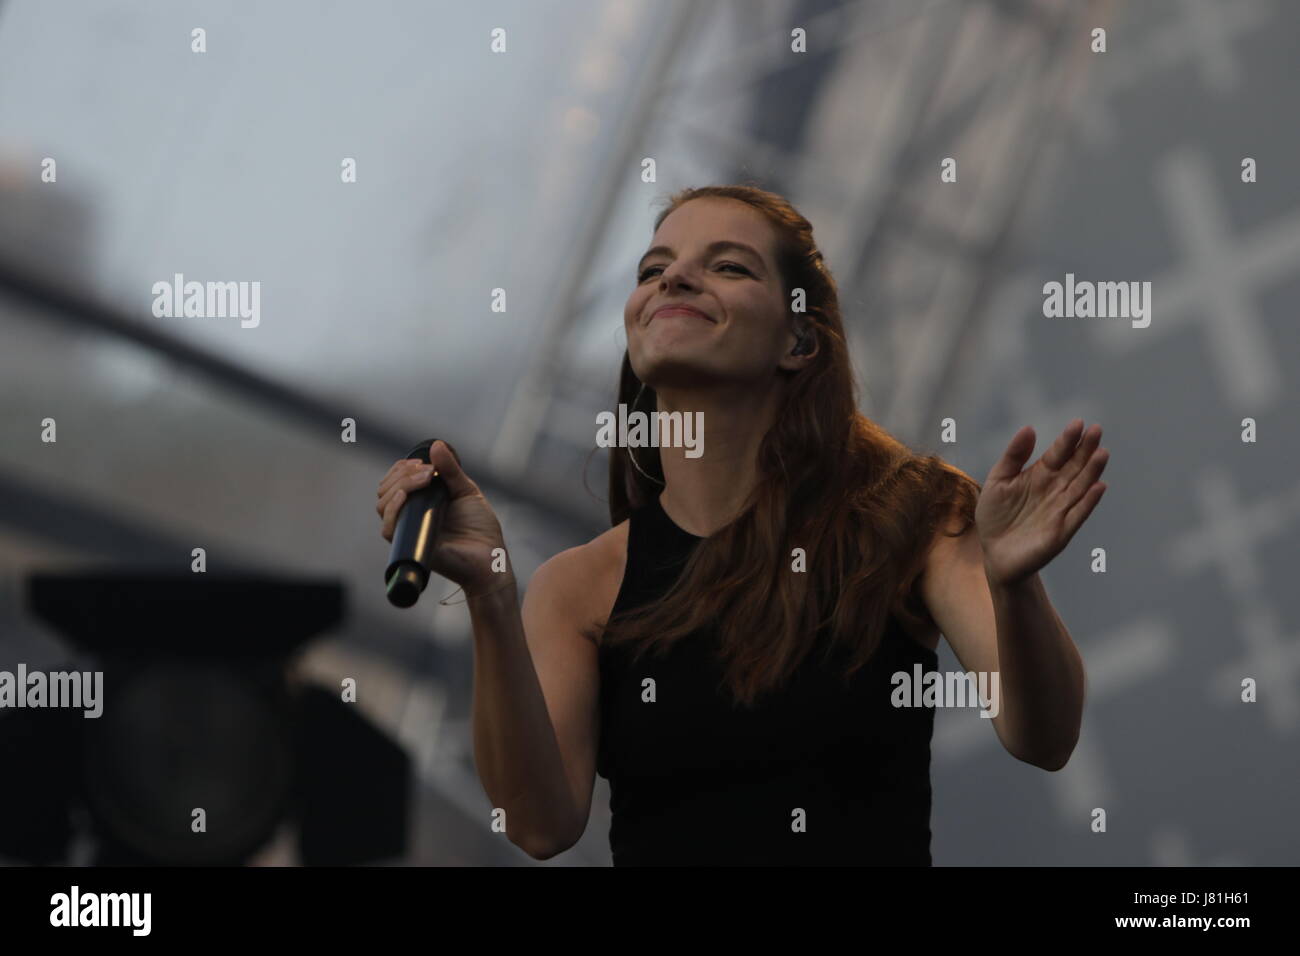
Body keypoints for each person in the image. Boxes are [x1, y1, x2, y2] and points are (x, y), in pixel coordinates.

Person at [375, 185, 1106, 865]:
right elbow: (540, 825)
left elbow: (1044, 736)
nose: (674, 278)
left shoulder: (911, 511)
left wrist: (1015, 589)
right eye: (653, 268)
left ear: (799, 341)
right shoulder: (580, 584)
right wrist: (490, 595)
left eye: (727, 266)